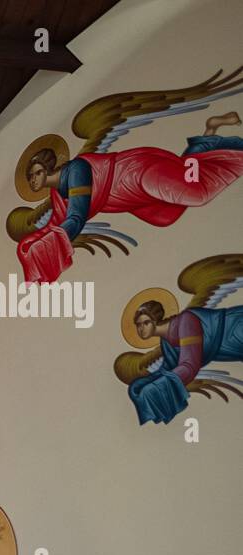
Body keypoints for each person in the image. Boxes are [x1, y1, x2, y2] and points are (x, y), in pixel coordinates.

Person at [16, 111, 243, 282]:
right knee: (168, 213)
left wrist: (47, 244)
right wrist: (29, 248)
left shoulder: (76, 171)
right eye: (30, 177)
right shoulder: (58, 195)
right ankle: (207, 135)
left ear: (46, 169)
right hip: (130, 197)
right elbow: (56, 225)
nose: (33, 181)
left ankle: (224, 147)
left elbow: (77, 216)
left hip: (137, 174)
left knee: (197, 193)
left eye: (35, 174)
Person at [125, 298, 243, 423]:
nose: (141, 328)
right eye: (138, 325)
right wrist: (141, 384)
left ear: (155, 321)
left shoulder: (186, 321)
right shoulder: (167, 343)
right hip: (233, 348)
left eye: (146, 323)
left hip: (237, 327)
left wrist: (156, 387)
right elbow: (168, 369)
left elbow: (189, 366)